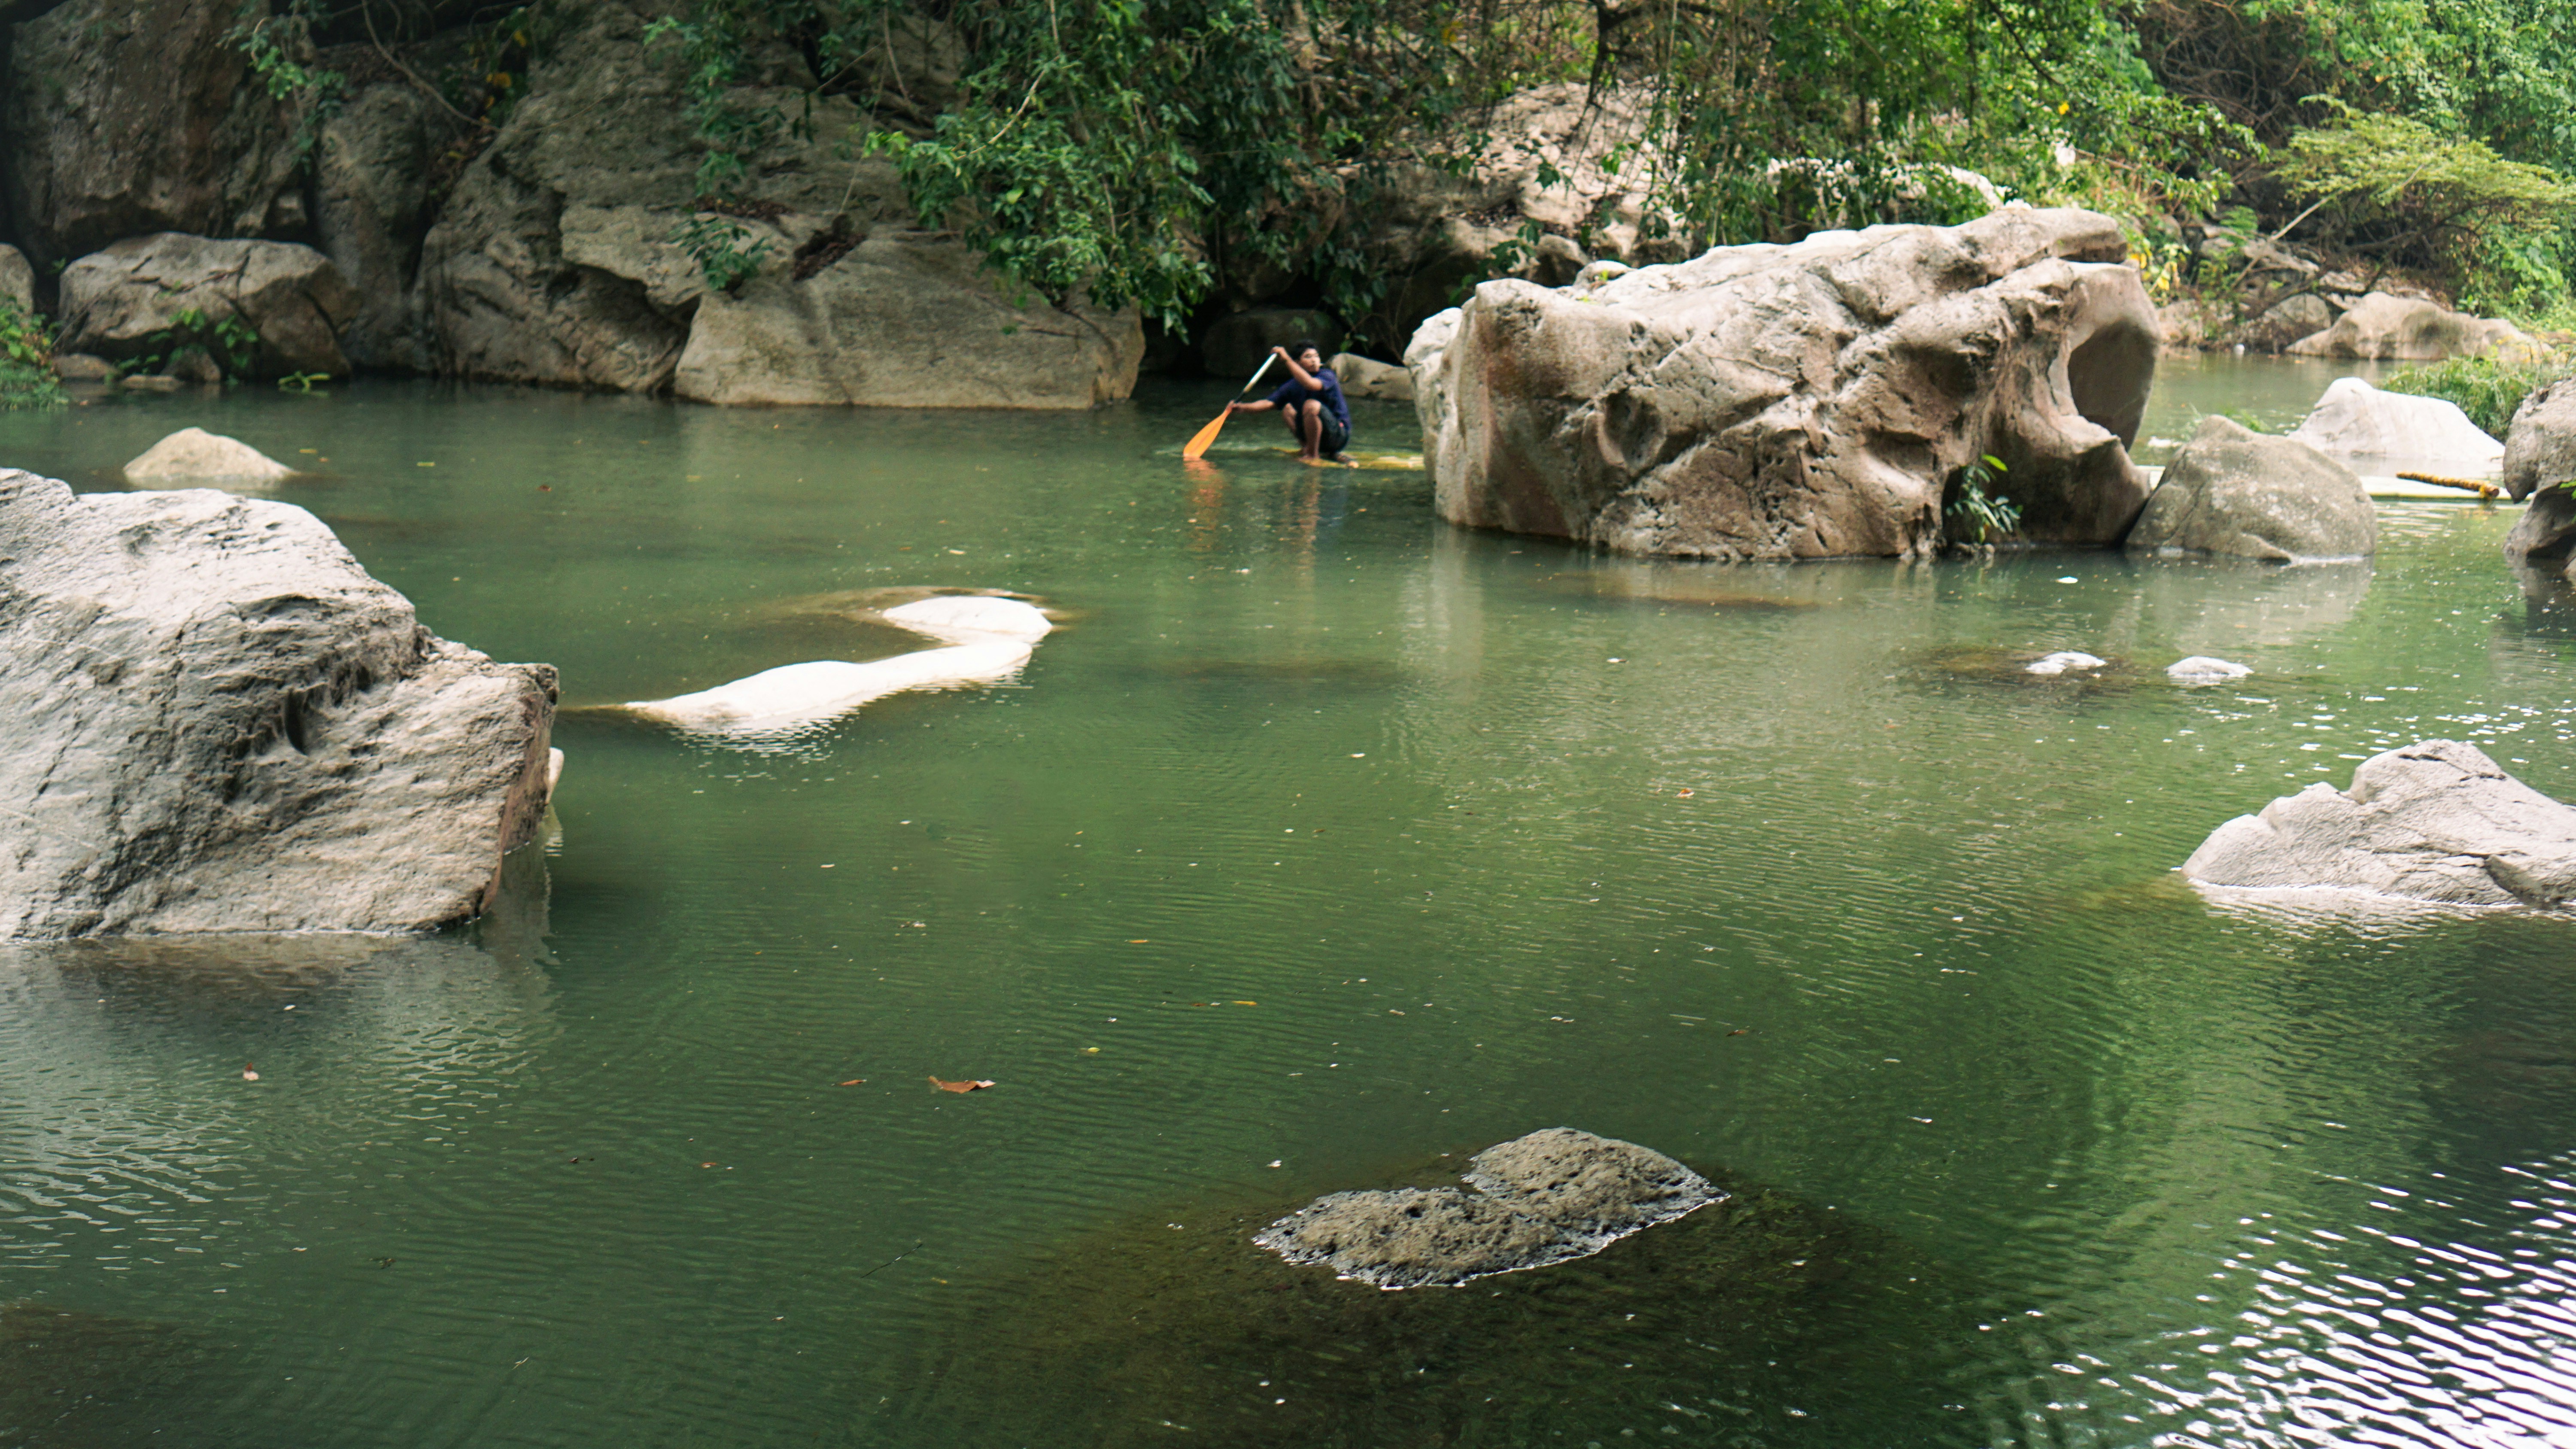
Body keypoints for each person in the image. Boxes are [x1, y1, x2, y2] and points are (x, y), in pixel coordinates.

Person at [1228, 341, 1351, 463]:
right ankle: (1306, 447)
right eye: (1308, 357)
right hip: (1314, 435)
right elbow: (1268, 403)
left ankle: (1312, 456)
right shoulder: (1292, 386)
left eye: (1316, 356)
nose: (1314, 360)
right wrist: (1242, 407)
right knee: (1288, 409)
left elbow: (1311, 384)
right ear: (1297, 363)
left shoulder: (1327, 375)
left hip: (1337, 436)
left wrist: (1286, 359)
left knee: (1311, 405)